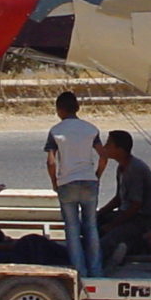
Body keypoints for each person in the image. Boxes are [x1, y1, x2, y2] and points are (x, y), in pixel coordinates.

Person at [44, 90, 105, 277]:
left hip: (67, 183)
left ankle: (80, 271)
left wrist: (55, 182)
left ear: (59, 110)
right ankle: (96, 270)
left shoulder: (56, 131)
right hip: (89, 181)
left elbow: (51, 161)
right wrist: (97, 175)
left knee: (71, 229)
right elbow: (103, 155)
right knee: (91, 226)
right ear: (77, 108)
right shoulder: (91, 129)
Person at [97, 130, 151, 271]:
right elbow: (119, 198)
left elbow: (136, 206)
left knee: (108, 241)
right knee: (94, 224)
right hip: (126, 214)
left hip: (139, 219)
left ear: (120, 149)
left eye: (109, 144)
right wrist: (100, 213)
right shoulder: (121, 168)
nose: (105, 147)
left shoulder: (135, 169)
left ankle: (142, 242)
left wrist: (112, 225)